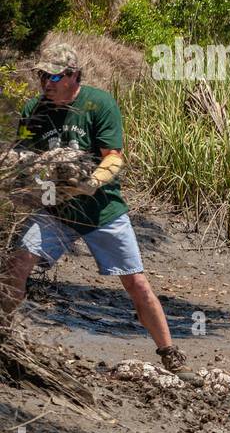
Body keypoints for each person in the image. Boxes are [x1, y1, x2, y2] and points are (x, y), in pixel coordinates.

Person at [0, 42, 198, 383]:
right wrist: (33, 179)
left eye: (55, 76)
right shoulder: (35, 108)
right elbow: (24, 159)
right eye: (42, 75)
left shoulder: (99, 104)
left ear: (74, 76)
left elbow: (114, 156)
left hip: (101, 210)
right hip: (55, 210)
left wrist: (91, 182)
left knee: (135, 282)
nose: (46, 82)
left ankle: (170, 353)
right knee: (17, 265)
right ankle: (3, 338)